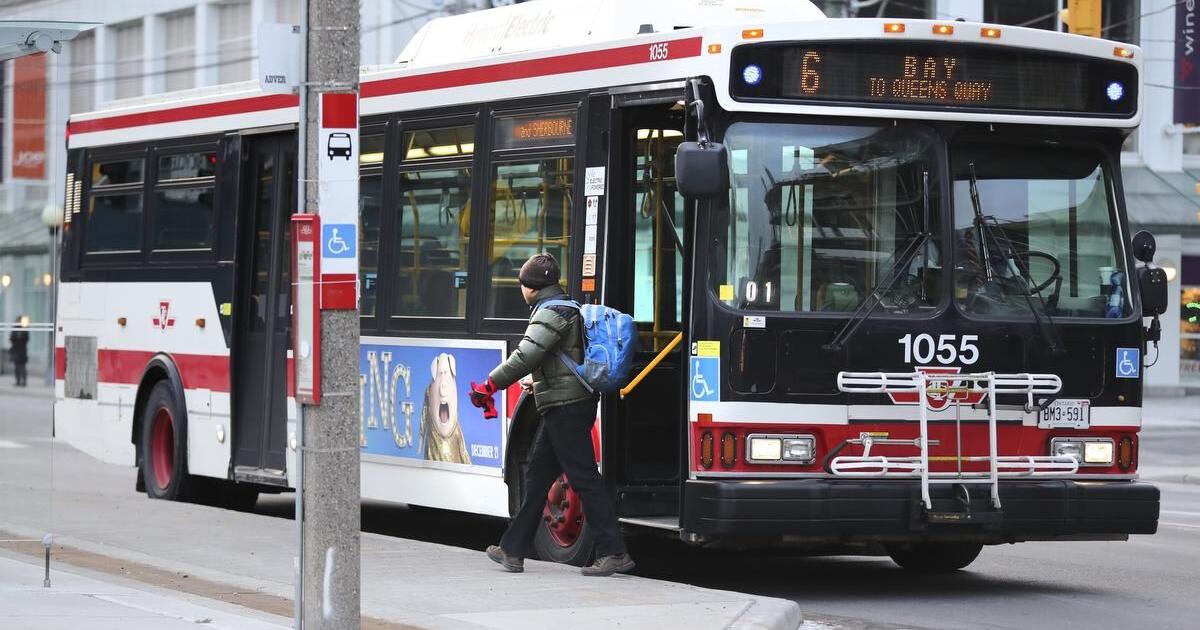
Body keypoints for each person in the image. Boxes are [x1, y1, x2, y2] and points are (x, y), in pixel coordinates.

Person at [470, 253, 633, 577]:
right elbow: (554, 359)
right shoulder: (563, 306)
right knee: (537, 477)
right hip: (564, 404)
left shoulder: (550, 311)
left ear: (528, 288)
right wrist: (538, 380)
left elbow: (526, 354)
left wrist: (490, 384)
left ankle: (614, 552)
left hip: (566, 407)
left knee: (584, 477)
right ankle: (513, 550)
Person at [9, 317, 29, 387]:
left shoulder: (24, 329)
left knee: (22, 367)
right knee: (17, 367)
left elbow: (27, 339)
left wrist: (20, 336)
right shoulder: (14, 329)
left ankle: (24, 381)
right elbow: (11, 339)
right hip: (16, 351)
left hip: (22, 351)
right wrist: (17, 337)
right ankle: (18, 381)